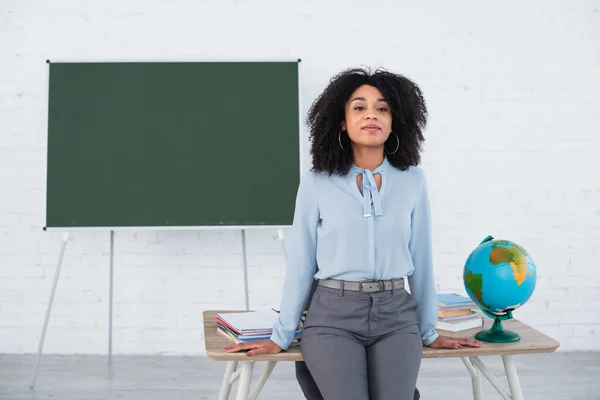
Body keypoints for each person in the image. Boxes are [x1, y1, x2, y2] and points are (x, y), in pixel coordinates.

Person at [225, 68, 482, 399]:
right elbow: (301, 263)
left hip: (396, 316)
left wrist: (429, 330)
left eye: (383, 108)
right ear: (343, 122)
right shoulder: (317, 182)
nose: (371, 114)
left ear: (395, 121)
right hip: (332, 317)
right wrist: (281, 334)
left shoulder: (413, 181)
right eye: (359, 107)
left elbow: (421, 258)